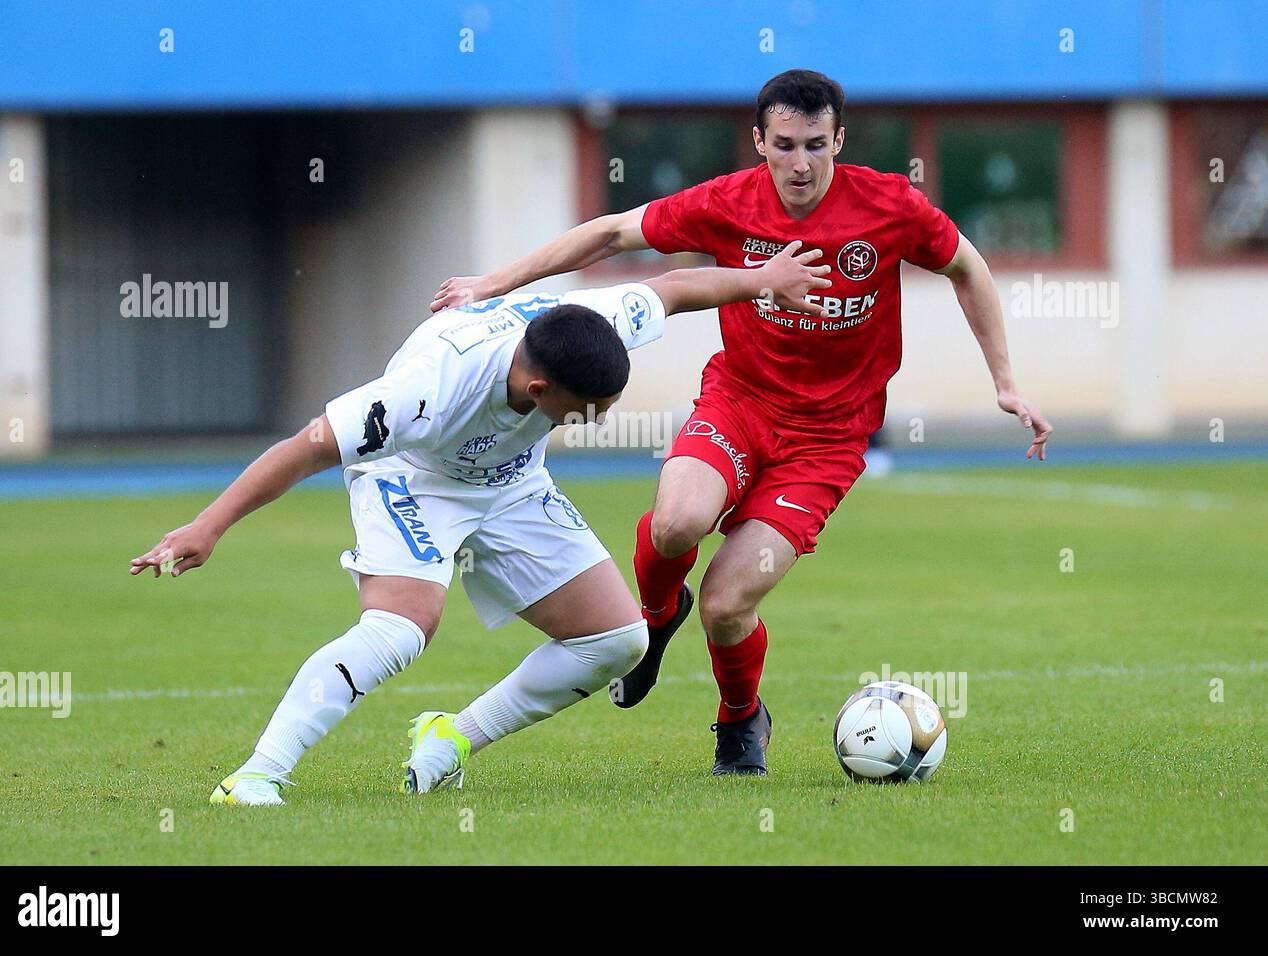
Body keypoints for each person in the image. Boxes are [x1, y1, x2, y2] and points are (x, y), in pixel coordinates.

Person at [429, 69, 1053, 776]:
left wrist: (1004, 382)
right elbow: (610, 233)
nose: (800, 163)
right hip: (741, 402)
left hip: (828, 441)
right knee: (674, 524)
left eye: (816, 145)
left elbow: (968, 267)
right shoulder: (729, 203)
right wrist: (491, 283)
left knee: (728, 603)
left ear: (839, 140)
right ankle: (658, 616)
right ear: (759, 141)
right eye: (784, 144)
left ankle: (738, 721)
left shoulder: (890, 205)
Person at [130, 245, 830, 803]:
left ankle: (449, 740)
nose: (600, 418)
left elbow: (675, 290)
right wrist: (208, 526)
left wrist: (762, 278)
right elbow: (308, 446)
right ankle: (255, 776)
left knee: (619, 641)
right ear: (538, 391)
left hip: (511, 481)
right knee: (401, 629)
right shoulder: (426, 392)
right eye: (591, 407)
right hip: (413, 476)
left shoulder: (584, 323)